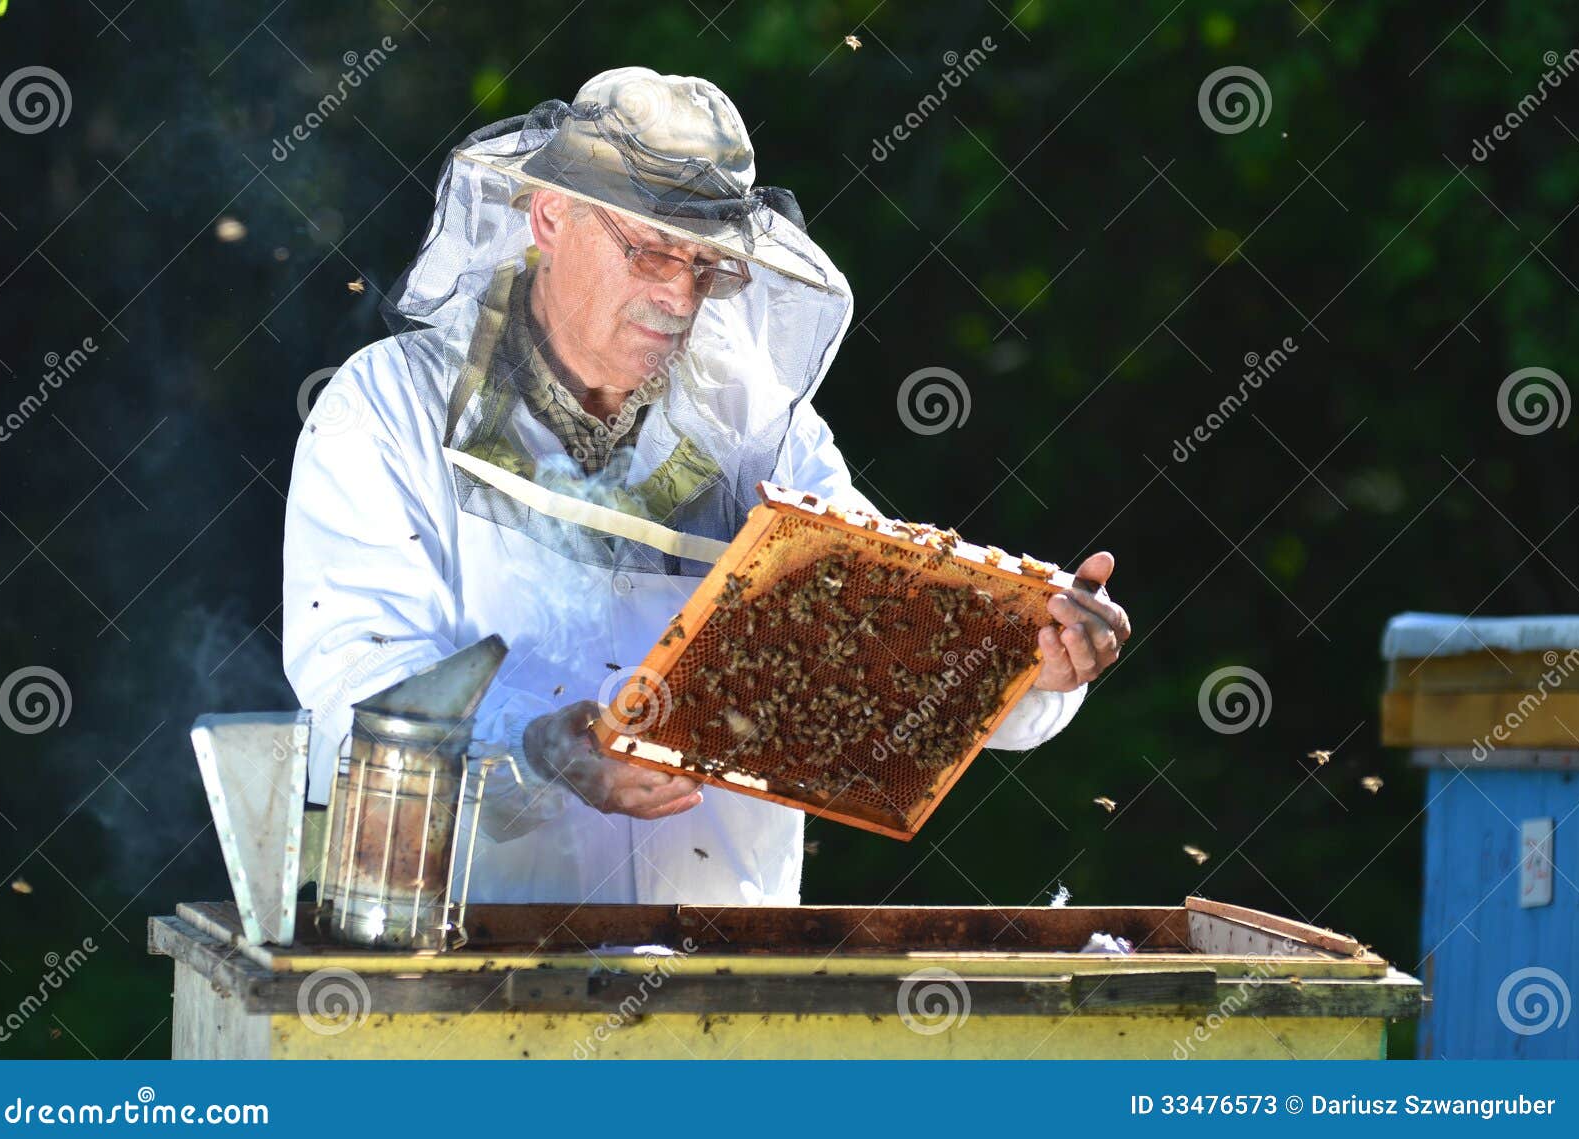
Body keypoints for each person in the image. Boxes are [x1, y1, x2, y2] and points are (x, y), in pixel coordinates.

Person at [282, 67, 1131, 906]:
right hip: (468, 968)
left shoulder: (766, 435)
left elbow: (888, 641)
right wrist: (536, 755)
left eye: (708, 264)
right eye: (650, 250)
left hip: (722, 979)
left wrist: (1029, 657)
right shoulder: (389, 407)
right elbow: (350, 687)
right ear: (549, 215)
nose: (679, 294)